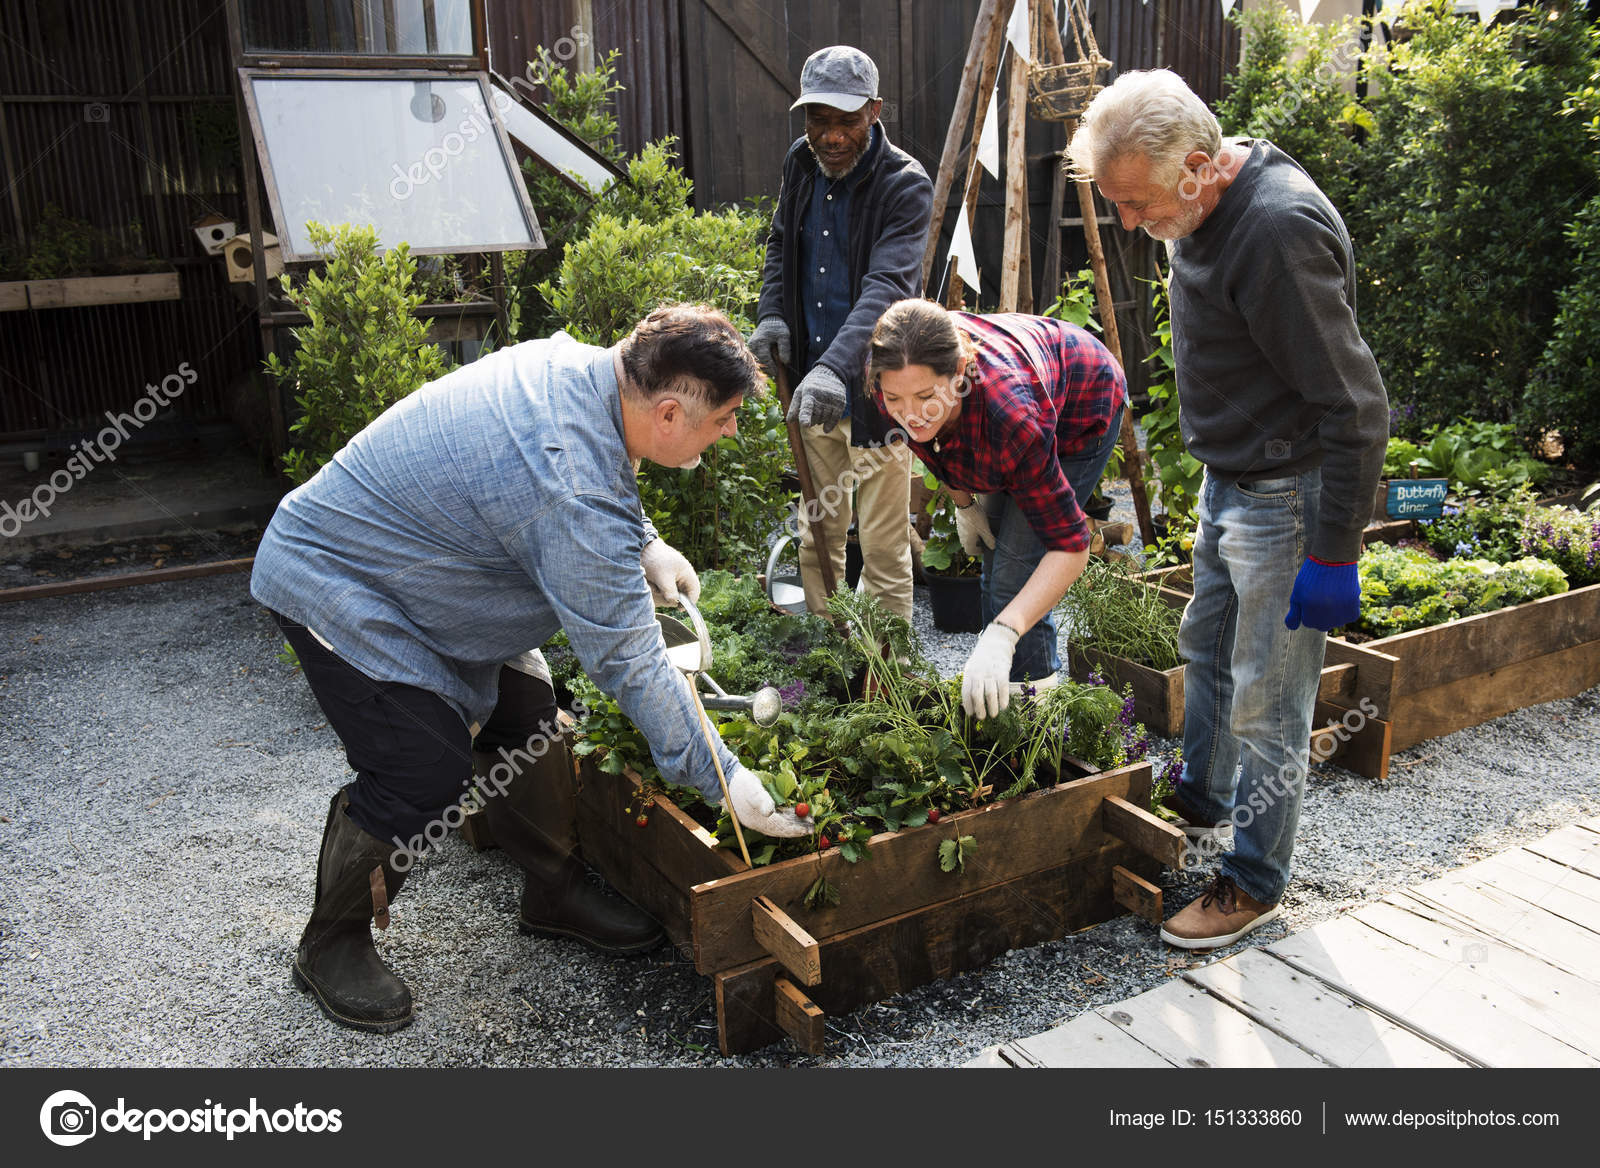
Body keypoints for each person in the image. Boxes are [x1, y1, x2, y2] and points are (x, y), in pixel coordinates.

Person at [251, 304, 812, 1035]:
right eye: (727, 418)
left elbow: (594, 469)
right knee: (423, 770)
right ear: (669, 413)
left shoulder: (583, 369)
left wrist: (642, 542)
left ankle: (551, 889)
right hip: (342, 577)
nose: (733, 430)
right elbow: (629, 658)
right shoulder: (569, 485)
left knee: (529, 711)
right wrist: (725, 777)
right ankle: (331, 941)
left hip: (437, 568)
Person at [1069, 70, 1388, 949]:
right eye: (1115, 202)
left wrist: (1334, 551)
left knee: (1268, 700)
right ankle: (1200, 808)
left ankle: (1255, 881)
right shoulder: (1195, 200)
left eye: (1136, 204)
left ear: (1203, 167)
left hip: (1286, 500)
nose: (1130, 224)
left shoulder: (1276, 232)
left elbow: (1356, 407)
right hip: (1229, 482)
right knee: (1202, 653)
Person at [866, 299, 1127, 719]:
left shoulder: (1011, 419)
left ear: (958, 372)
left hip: (1084, 404)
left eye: (926, 396)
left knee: (1013, 577)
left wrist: (1003, 634)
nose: (911, 414)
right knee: (996, 567)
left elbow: (1071, 546)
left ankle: (1035, 716)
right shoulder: (893, 384)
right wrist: (964, 503)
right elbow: (932, 446)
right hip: (1027, 396)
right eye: (896, 398)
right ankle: (1001, 704)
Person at [747, 45, 933, 622]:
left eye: (846, 121)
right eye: (818, 121)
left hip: (881, 391)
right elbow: (781, 241)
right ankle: (829, 664)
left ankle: (888, 675)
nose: (830, 137)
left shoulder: (905, 185)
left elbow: (887, 288)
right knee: (817, 531)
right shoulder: (799, 164)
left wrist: (836, 365)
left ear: (875, 111)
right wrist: (772, 310)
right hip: (810, 387)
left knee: (882, 544)